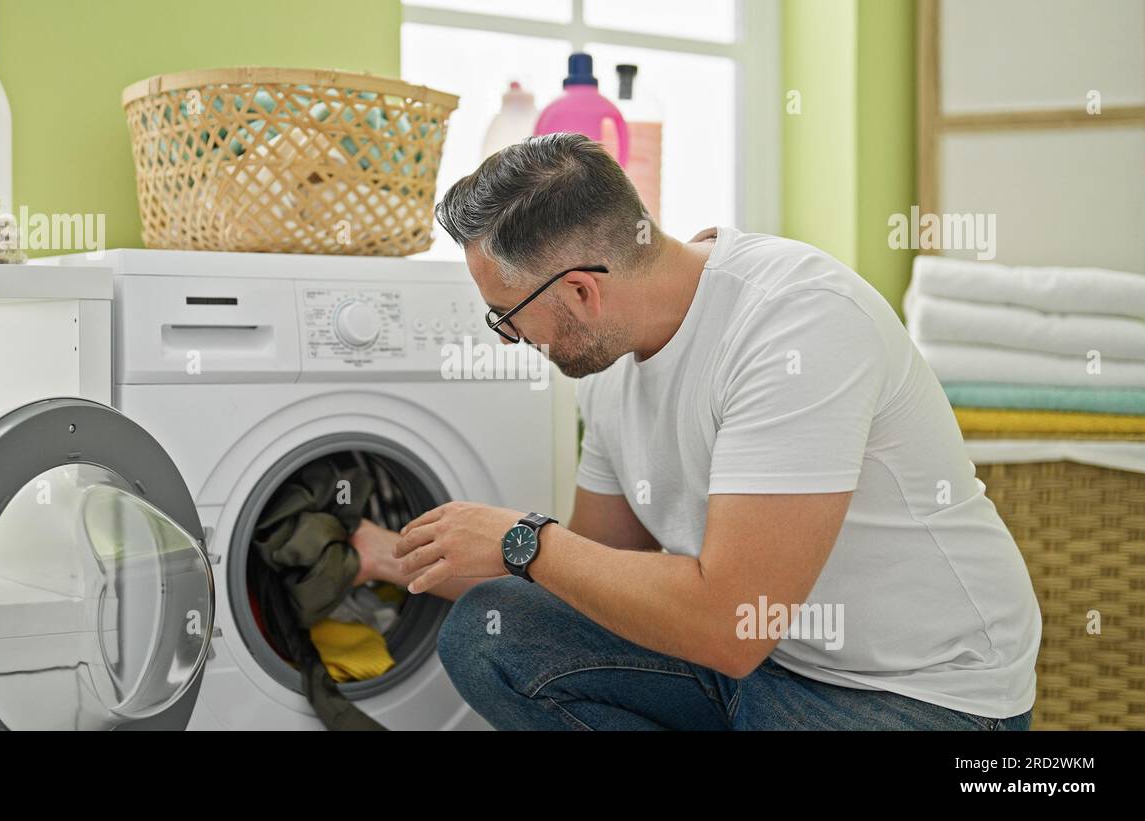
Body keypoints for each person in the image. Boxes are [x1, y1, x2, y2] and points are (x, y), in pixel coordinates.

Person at [349, 132, 1040, 730]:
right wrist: (391, 556)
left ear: (581, 292)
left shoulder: (795, 324)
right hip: (754, 667)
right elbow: (586, 572)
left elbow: (734, 621)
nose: (505, 339)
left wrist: (519, 538)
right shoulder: (614, 365)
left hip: (913, 695)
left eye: (505, 316)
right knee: (489, 634)